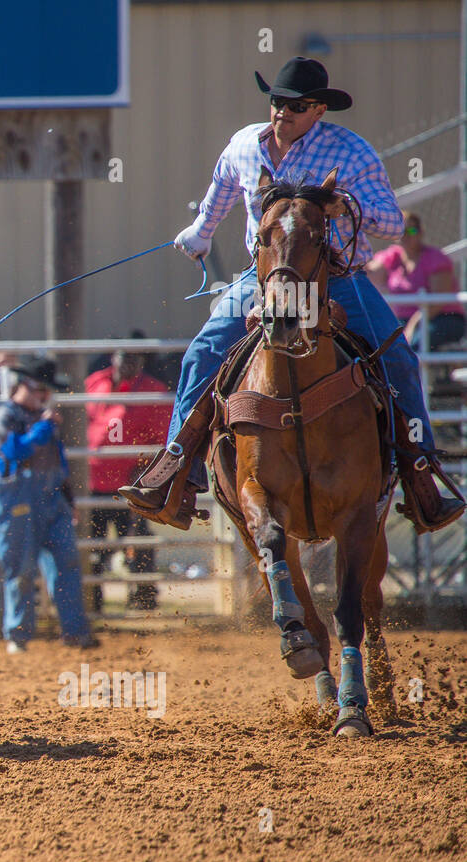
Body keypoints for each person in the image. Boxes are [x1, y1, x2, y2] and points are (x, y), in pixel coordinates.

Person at [119, 56, 465, 534]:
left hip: (339, 278)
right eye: (278, 102)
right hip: (265, 280)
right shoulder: (245, 144)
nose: (283, 112)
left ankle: (421, 477)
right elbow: (223, 184)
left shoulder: (352, 152)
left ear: (319, 110)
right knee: (202, 351)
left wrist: (347, 206)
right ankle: (176, 469)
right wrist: (201, 231)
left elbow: (392, 221)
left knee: (400, 359)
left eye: (296, 105)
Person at [0, 357, 94, 653]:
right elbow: (13, 451)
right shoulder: (5, 416)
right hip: (20, 497)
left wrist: (68, 498)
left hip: (51, 497)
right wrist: (43, 430)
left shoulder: (40, 420)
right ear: (24, 386)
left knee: (67, 564)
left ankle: (74, 631)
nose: (45, 397)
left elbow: (57, 460)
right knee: (20, 568)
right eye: (41, 391)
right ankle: (17, 635)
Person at [84, 340, 172, 612]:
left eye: (134, 358)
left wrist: (144, 471)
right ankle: (92, 601)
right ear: (114, 357)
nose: (128, 363)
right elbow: (80, 423)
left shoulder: (154, 392)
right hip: (94, 482)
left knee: (137, 542)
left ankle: (143, 599)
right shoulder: (95, 383)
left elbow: (163, 441)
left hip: (129, 484)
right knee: (92, 545)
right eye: (123, 357)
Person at [367, 212, 465, 352]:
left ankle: (414, 373)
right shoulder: (392, 256)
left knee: (414, 345)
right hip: (404, 321)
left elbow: (437, 302)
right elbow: (369, 273)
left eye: (411, 230)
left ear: (420, 233)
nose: (406, 235)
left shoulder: (435, 258)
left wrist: (413, 324)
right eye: (401, 231)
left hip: (441, 318)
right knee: (380, 344)